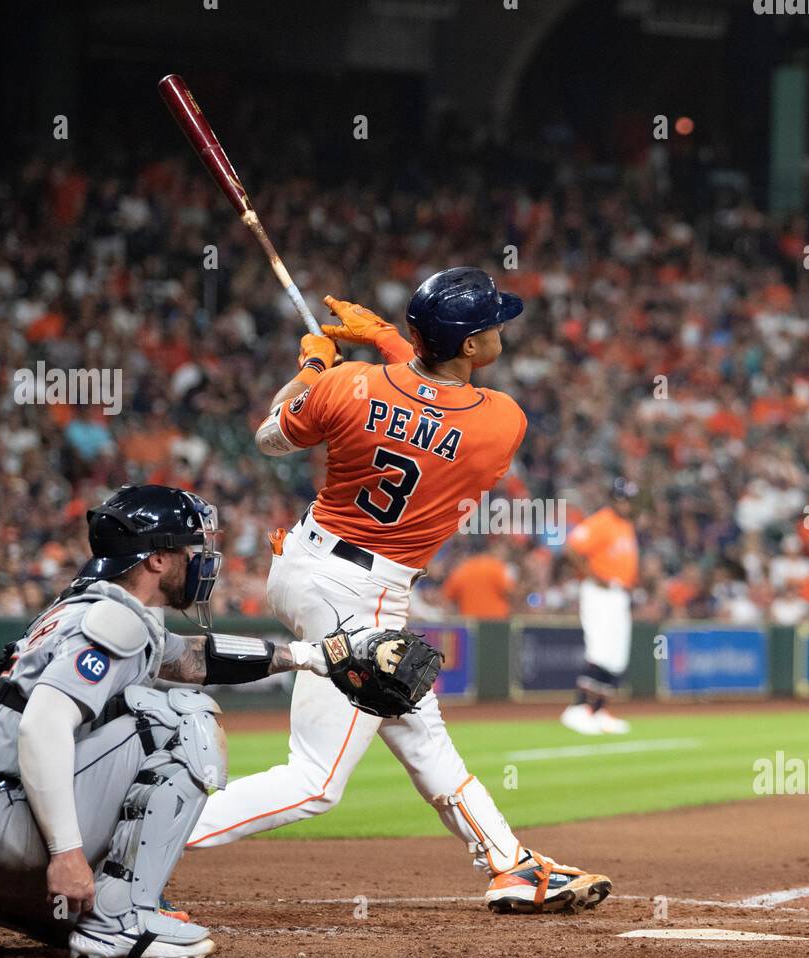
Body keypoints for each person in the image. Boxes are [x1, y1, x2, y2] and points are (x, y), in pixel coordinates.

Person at [187, 269, 613, 914]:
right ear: (468, 346)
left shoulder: (345, 383)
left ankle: (511, 865)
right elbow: (430, 402)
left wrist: (313, 367)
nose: (502, 329)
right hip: (362, 593)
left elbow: (272, 435)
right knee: (315, 781)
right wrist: (385, 340)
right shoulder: (501, 422)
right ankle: (138, 840)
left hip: (304, 561)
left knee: (417, 723)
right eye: (491, 324)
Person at [0, 485, 352, 958]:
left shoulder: (90, 609)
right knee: (186, 716)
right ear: (156, 559)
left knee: (71, 910)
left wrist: (315, 656)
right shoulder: (115, 621)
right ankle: (119, 918)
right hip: (8, 833)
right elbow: (43, 726)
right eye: (190, 548)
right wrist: (66, 853)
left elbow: (194, 661)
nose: (201, 560)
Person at [561, 479, 639, 735]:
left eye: (629, 499)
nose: (625, 503)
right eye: (622, 498)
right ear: (613, 498)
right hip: (600, 592)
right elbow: (571, 548)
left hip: (619, 594)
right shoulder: (602, 521)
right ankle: (578, 708)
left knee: (616, 656)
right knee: (600, 650)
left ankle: (599, 710)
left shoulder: (625, 525)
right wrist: (591, 575)